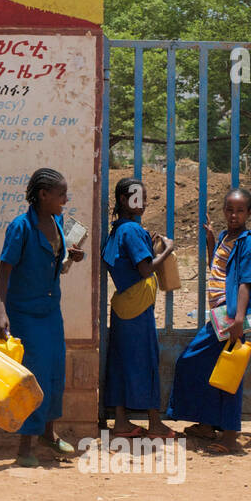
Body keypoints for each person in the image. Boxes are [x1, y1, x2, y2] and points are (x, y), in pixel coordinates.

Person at [0, 168, 85, 467]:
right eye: (61, 194)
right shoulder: (20, 227)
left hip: (50, 310)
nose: (65, 199)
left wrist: (71, 257)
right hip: (25, 313)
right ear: (43, 195)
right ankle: (25, 447)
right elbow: (3, 273)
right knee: (32, 376)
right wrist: (0, 312)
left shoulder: (58, 223)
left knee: (55, 372)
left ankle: (48, 433)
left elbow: (56, 266)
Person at [166, 188, 251, 453]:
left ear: (249, 213)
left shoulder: (247, 242)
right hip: (218, 318)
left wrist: (239, 319)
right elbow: (217, 270)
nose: (234, 215)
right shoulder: (224, 237)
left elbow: (246, 282)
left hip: (231, 319)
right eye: (230, 209)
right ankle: (207, 424)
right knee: (198, 364)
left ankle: (229, 437)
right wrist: (210, 241)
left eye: (240, 210)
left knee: (229, 375)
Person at [102, 177, 177, 438]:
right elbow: (144, 268)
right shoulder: (132, 230)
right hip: (137, 309)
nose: (143, 203)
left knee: (121, 363)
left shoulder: (118, 229)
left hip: (123, 305)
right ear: (124, 200)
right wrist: (167, 250)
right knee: (146, 362)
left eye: (144, 198)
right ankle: (155, 423)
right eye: (137, 198)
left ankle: (121, 422)